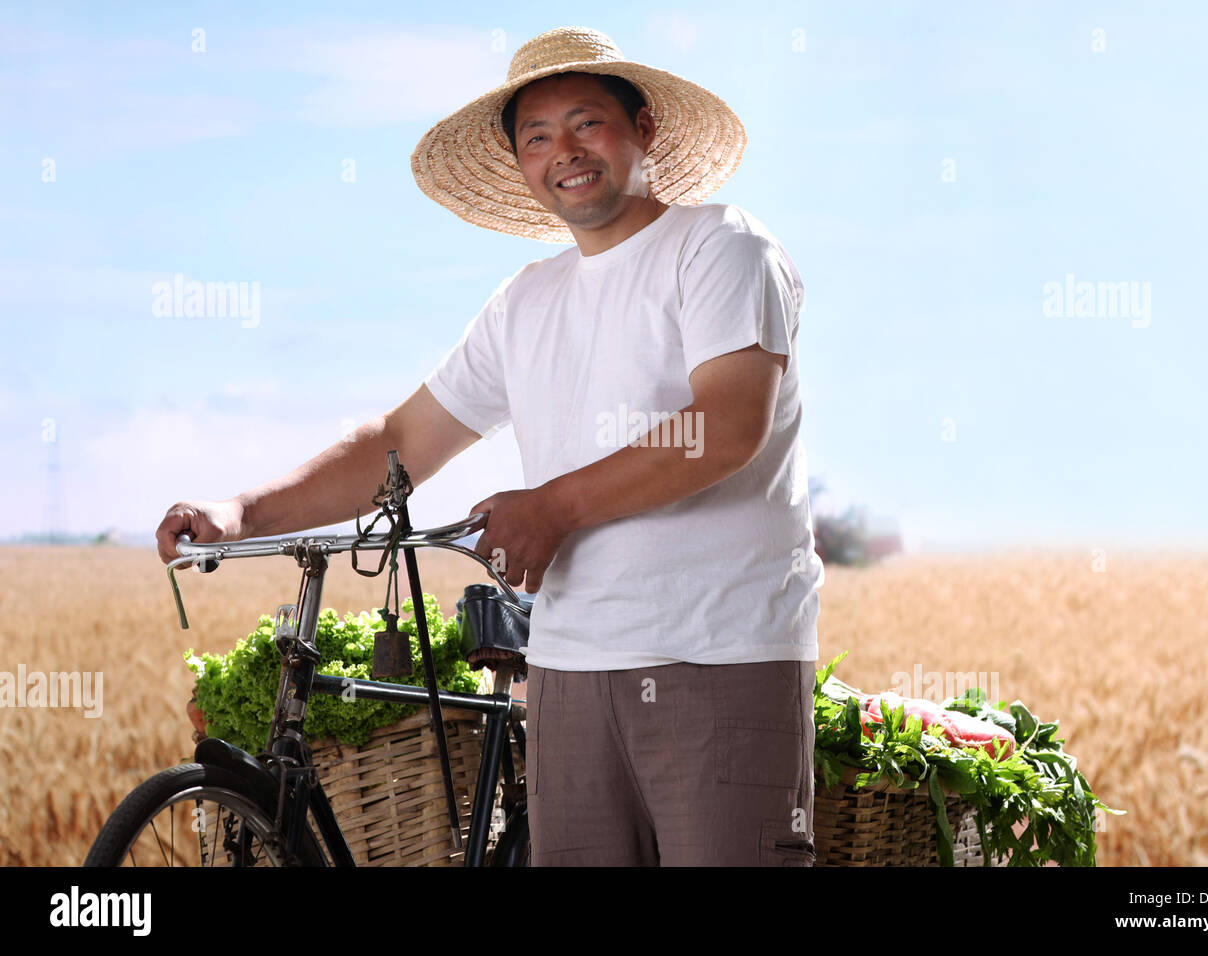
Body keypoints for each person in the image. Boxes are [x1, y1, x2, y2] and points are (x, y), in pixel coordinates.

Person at [156, 25, 825, 866]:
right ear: (520, 163)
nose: (565, 152)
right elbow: (399, 443)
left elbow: (724, 426)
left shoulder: (721, 245)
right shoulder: (525, 302)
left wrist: (552, 506)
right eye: (538, 137)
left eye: (588, 123)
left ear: (644, 127)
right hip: (569, 672)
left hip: (720, 657)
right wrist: (240, 511)